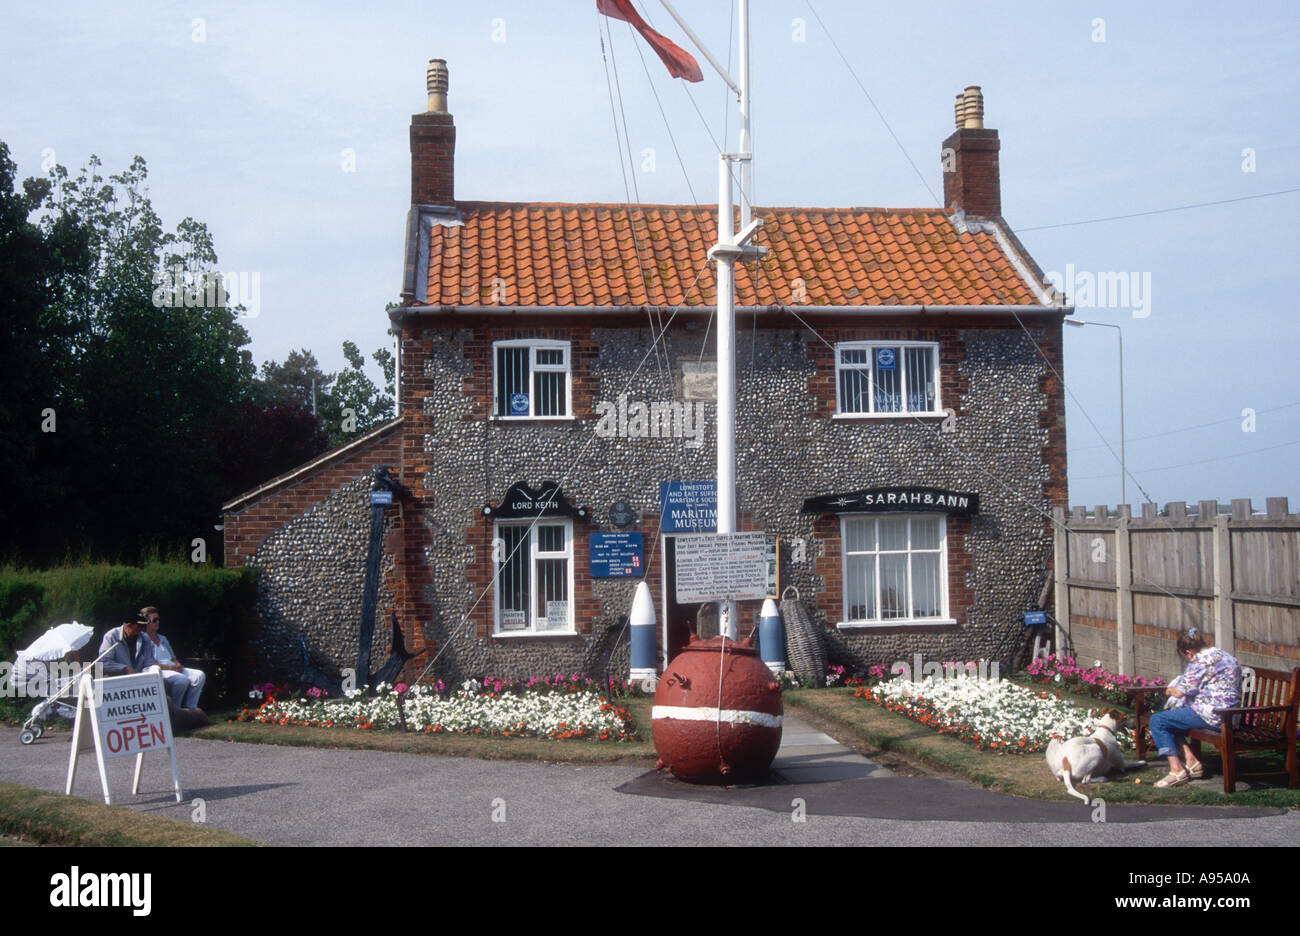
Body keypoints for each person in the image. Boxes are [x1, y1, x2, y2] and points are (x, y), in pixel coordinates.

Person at [1149, 627, 1241, 788]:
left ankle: (1176, 770)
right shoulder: (1225, 655)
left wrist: (1168, 690)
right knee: (1171, 719)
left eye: (1186, 657)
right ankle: (1192, 762)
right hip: (1231, 715)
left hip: (1213, 715)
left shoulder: (1199, 661)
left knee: (1158, 720)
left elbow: (1181, 691)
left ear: (1188, 652)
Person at [140, 606, 205, 709]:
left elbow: (173, 657)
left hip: (172, 668)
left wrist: (178, 664)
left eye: (158, 619)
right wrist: (172, 668)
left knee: (199, 675)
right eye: (154, 620)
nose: (158, 622)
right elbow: (150, 663)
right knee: (182, 680)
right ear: (146, 622)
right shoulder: (142, 640)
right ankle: (175, 710)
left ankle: (191, 708)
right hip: (157, 670)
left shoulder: (162, 638)